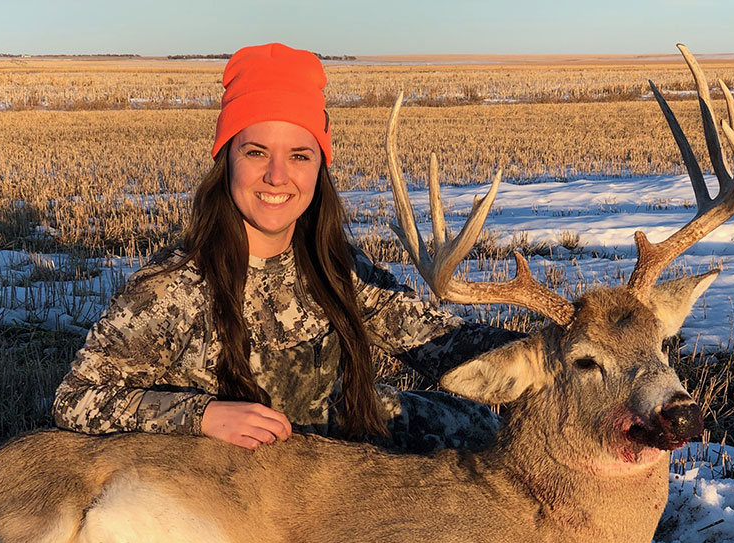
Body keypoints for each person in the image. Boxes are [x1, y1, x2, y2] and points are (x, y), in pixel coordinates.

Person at [53, 42, 521, 453]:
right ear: (226, 160)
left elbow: (439, 342)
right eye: (255, 152)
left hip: (328, 453)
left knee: (482, 429)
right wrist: (201, 416)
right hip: (231, 479)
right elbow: (77, 398)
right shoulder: (174, 286)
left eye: (299, 156)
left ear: (319, 168)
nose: (278, 177)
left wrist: (552, 347)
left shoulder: (337, 267)